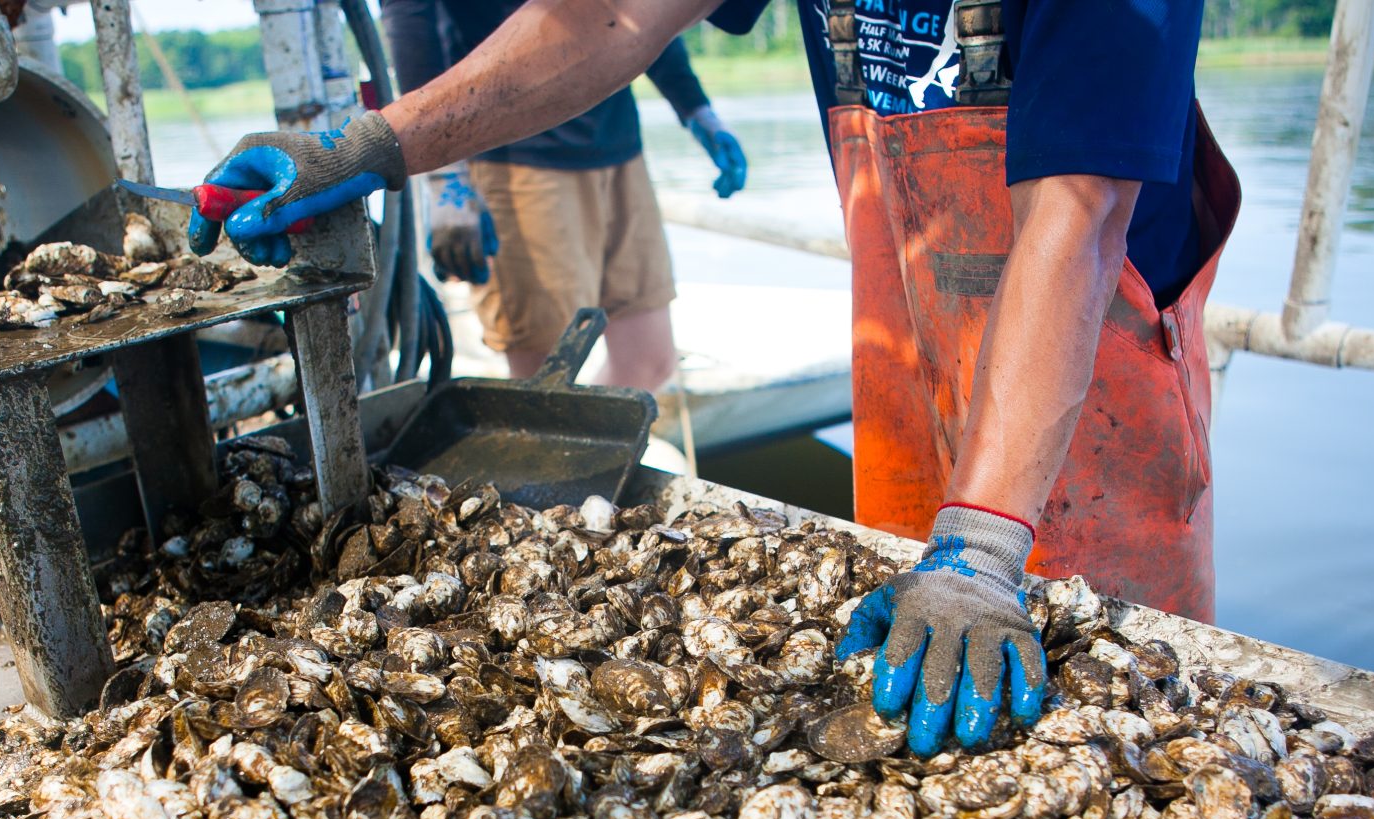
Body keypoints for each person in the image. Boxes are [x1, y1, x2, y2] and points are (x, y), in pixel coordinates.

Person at [186, 0, 1238, 757]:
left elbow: (1079, 211)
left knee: (1112, 716)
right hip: (907, 358)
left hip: (1090, 389)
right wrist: (372, 146)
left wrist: (983, 547)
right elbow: (608, 17)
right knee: (901, 711)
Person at [381, 0, 748, 389]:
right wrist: (443, 171)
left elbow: (640, 12)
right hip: (517, 153)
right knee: (545, 379)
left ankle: (595, 434)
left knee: (650, 360)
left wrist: (696, 109)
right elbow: (408, 11)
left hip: (617, 142)